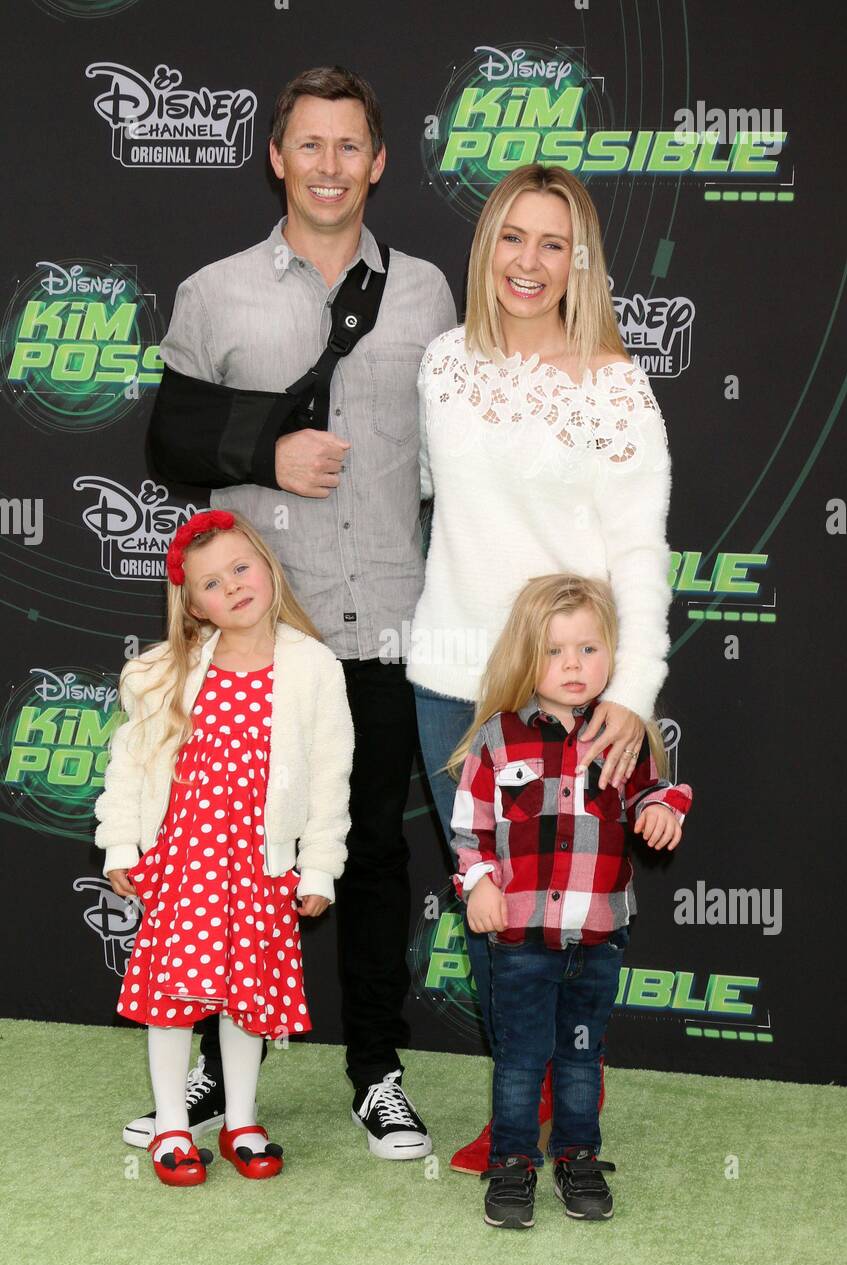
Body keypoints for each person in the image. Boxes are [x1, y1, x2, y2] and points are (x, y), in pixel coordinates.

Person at [125, 65, 457, 1160]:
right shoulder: (215, 290)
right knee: (225, 861)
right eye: (307, 145)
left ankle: (377, 1071)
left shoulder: (425, 292)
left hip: (386, 625)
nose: (327, 166)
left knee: (365, 857)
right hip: (254, 641)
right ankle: (219, 1079)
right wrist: (265, 452)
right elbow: (167, 443)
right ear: (276, 156)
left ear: (377, 161)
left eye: (347, 146)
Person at [409, 162, 674, 1172]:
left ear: (579, 260)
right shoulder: (440, 363)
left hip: (565, 692)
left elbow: (641, 551)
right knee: (491, 911)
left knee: (565, 921)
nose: (528, 261)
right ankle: (513, 1103)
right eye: (511, 238)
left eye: (551, 243)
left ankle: (573, 1100)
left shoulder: (611, 383)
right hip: (447, 678)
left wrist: (632, 694)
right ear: (487, 250)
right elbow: (437, 502)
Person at [95, 510, 354, 1185]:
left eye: (241, 567)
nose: (233, 587)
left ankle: (241, 1118)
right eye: (212, 582)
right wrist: (121, 842)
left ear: (267, 565)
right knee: (173, 999)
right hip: (186, 865)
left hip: (261, 866)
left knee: (247, 999)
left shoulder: (314, 667)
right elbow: (131, 766)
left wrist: (321, 864)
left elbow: (331, 776)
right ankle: (173, 1127)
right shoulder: (163, 672)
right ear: (191, 601)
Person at [446, 574, 692, 1227]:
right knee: (522, 1057)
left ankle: (578, 1158)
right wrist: (480, 884)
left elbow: (650, 793)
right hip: (522, 938)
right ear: (527, 657)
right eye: (555, 652)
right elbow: (470, 831)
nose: (574, 666)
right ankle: (512, 1165)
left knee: (582, 1057)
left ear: (613, 653)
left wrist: (663, 809)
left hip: (597, 934)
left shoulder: (621, 733)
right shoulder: (499, 738)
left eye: (589, 649)